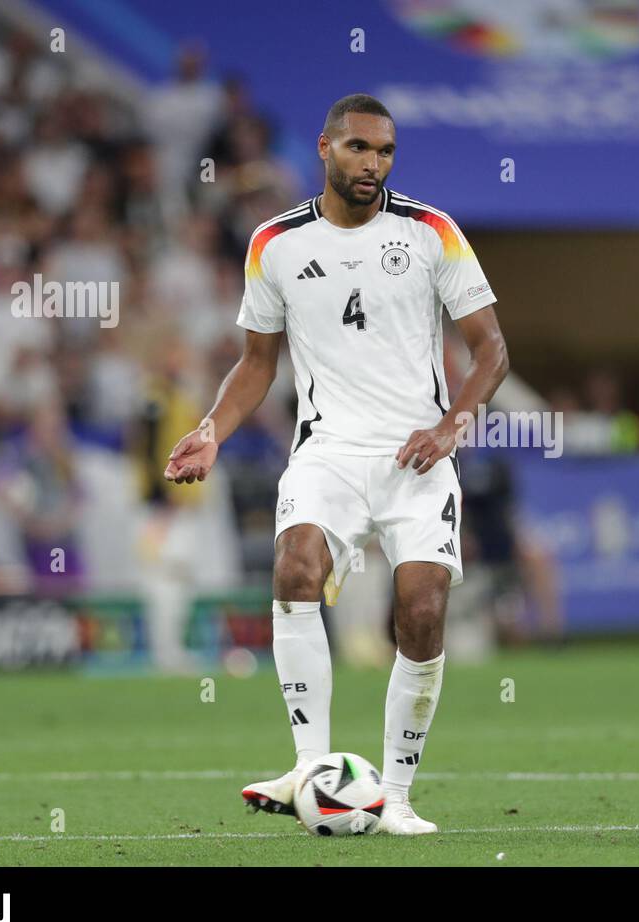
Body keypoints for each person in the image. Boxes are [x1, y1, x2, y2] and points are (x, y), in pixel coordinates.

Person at [163, 94, 508, 835]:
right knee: (294, 566)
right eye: (358, 149)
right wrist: (213, 431)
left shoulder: (431, 233)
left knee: (420, 610)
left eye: (384, 152)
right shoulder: (274, 243)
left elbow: (492, 350)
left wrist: (452, 426)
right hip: (327, 452)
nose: (373, 165)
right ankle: (308, 765)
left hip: (418, 456)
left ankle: (400, 797)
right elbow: (257, 362)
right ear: (324, 148)